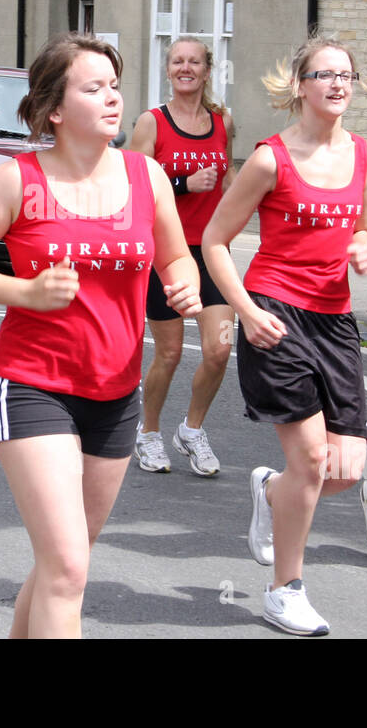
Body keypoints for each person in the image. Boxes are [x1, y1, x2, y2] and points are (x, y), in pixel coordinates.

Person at [0, 32, 201, 637]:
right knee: (68, 567)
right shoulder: (16, 181)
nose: (113, 98)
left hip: (115, 391)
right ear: (55, 108)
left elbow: (176, 257)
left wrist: (183, 284)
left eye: (115, 85)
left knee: (64, 562)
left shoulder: (147, 176)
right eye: (94, 88)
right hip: (33, 385)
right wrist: (23, 292)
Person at [202, 36, 367, 635]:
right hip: (276, 313)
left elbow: (358, 228)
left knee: (348, 469)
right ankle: (285, 589)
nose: (337, 84)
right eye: (325, 74)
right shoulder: (270, 159)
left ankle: (274, 493)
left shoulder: (366, 157)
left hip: (336, 321)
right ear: (300, 86)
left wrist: (363, 246)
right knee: (310, 457)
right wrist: (247, 312)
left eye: (346, 75)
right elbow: (215, 241)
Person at [128, 38, 235, 476]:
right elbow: (133, 188)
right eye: (178, 62)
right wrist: (181, 183)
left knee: (220, 348)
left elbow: (228, 183)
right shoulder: (151, 123)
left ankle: (191, 429)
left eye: (194, 62)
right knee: (169, 354)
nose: (185, 68)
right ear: (168, 70)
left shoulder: (223, 121)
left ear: (207, 71)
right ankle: (148, 433)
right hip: (167, 254)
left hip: (212, 250)